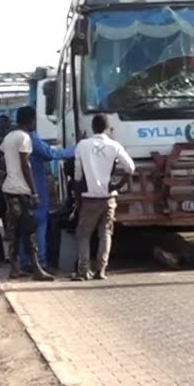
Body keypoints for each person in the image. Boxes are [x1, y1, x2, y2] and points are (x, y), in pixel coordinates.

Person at [72, 113, 135, 280]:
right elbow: (130, 168)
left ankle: (83, 270)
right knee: (106, 233)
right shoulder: (114, 145)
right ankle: (101, 270)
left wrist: (78, 194)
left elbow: (77, 175)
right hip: (108, 198)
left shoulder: (82, 145)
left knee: (84, 234)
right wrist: (116, 185)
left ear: (92, 127)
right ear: (107, 128)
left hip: (89, 198)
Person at [0, 106, 55, 281]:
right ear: (31, 120)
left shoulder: (9, 137)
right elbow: (26, 165)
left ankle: (15, 268)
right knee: (29, 229)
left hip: (9, 189)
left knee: (16, 232)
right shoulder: (24, 137)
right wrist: (34, 192)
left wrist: (4, 173)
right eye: (35, 121)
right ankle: (37, 269)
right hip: (21, 191)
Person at [17, 113, 76, 271]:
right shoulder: (30, 139)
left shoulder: (15, 137)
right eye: (34, 121)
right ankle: (40, 261)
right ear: (30, 122)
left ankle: (25, 261)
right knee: (40, 224)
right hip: (35, 186)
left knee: (25, 225)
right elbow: (51, 154)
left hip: (20, 187)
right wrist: (76, 149)